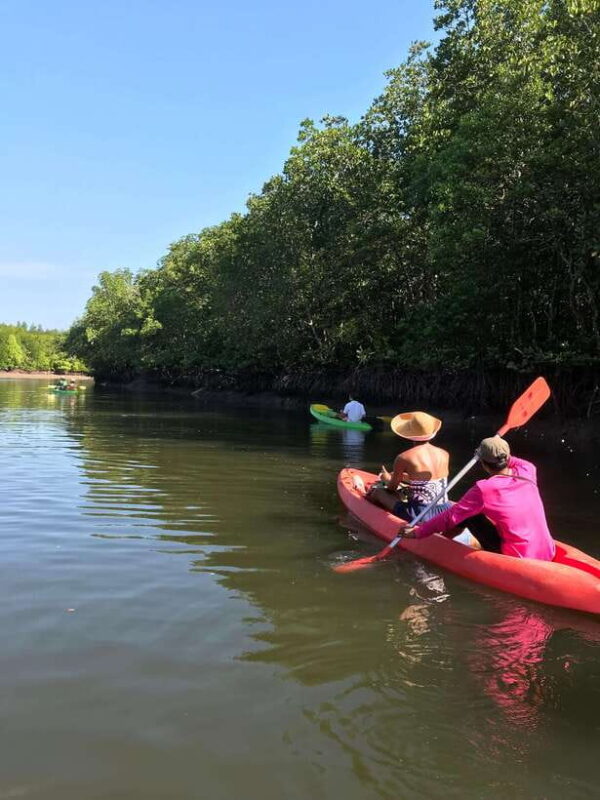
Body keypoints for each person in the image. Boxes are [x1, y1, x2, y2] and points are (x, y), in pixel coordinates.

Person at [403, 436, 556, 560]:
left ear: (483, 463)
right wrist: (496, 448)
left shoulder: (484, 489)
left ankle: (441, 546)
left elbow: (451, 516)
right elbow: (512, 460)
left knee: (466, 516)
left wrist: (417, 532)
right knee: (471, 512)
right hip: (548, 551)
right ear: (506, 457)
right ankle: (446, 542)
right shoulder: (528, 470)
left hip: (517, 556)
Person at [367, 411, 452, 522]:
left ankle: (372, 514)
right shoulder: (444, 454)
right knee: (402, 494)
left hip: (420, 514)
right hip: (445, 510)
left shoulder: (404, 457)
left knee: (379, 492)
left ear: (410, 434)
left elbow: (391, 487)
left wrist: (387, 478)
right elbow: (429, 480)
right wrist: (403, 477)